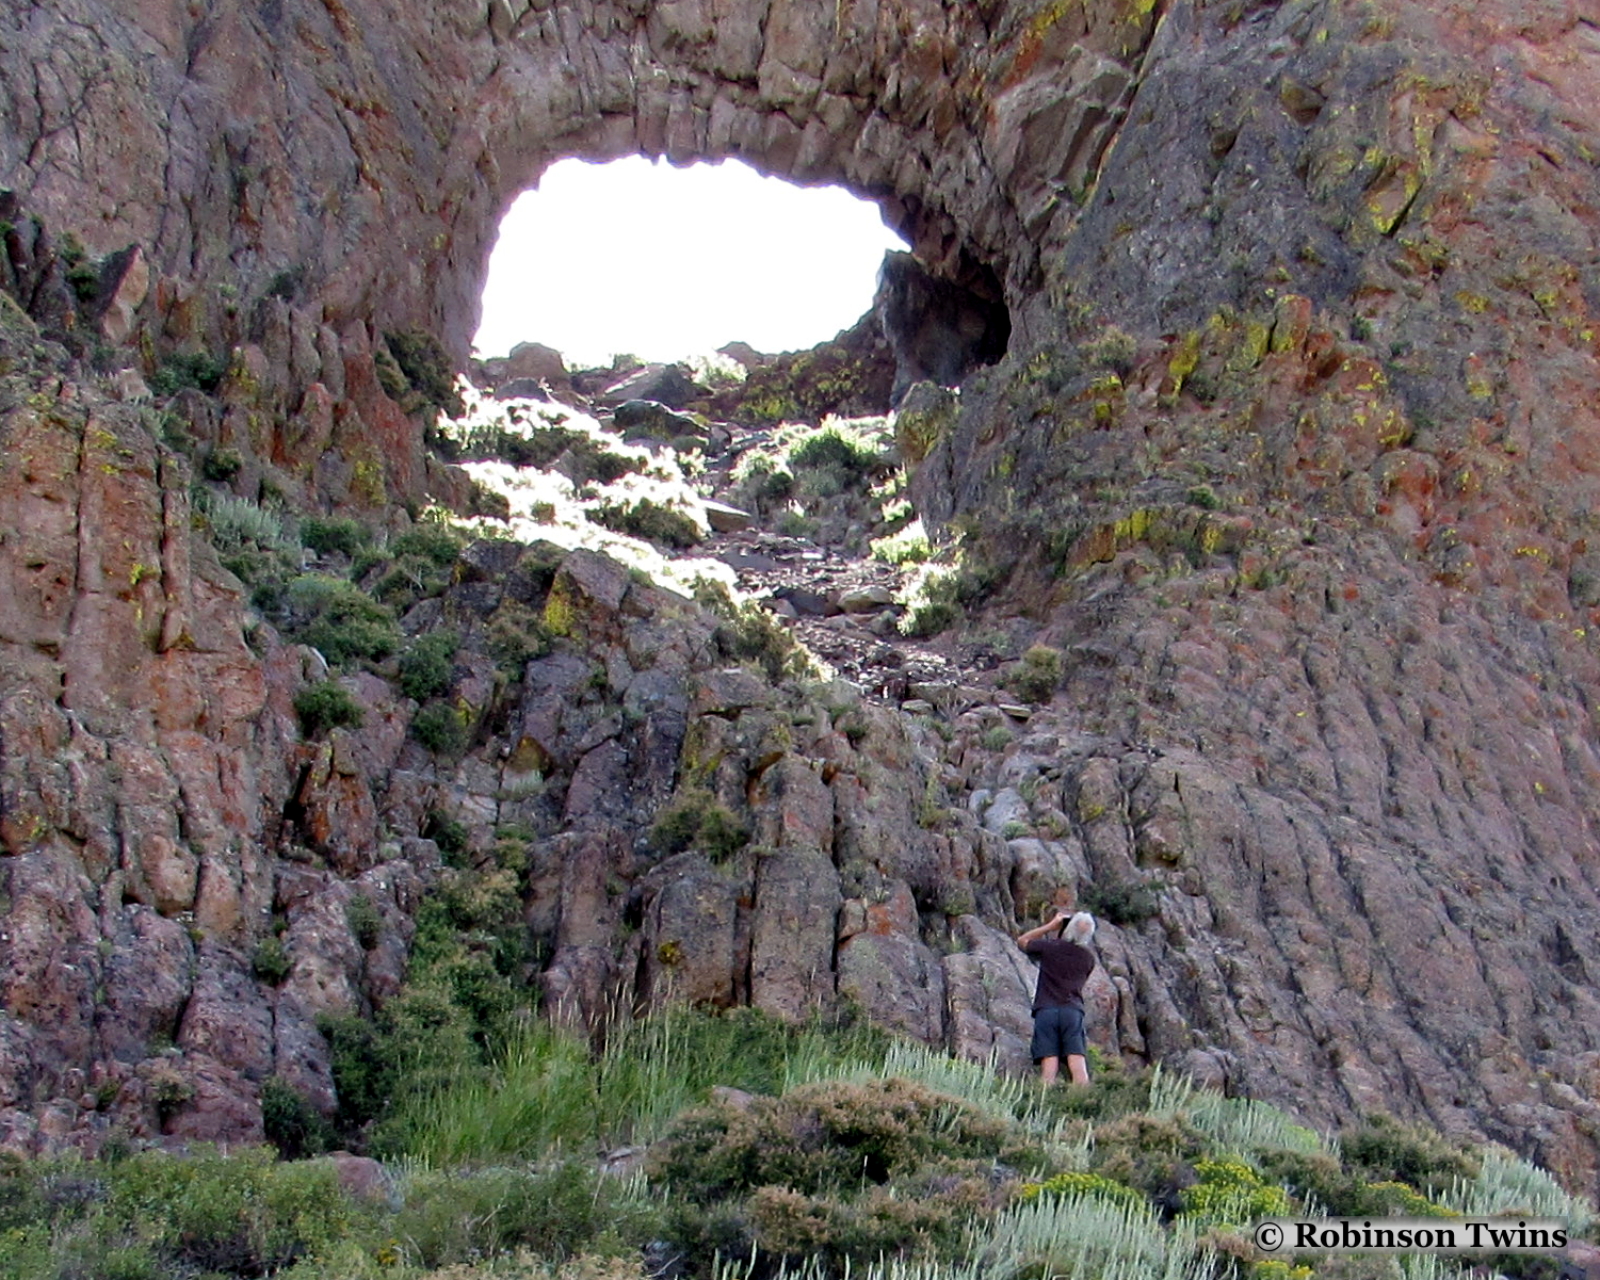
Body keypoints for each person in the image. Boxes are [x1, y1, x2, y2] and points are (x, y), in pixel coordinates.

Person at [1017, 908, 1096, 1085]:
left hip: (1047, 1010)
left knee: (1049, 1061)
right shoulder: (1088, 959)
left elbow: (1023, 941)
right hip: (1072, 1011)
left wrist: (1051, 926)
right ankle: (1082, 1102)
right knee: (1077, 1060)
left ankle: (1046, 1102)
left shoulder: (1050, 947)